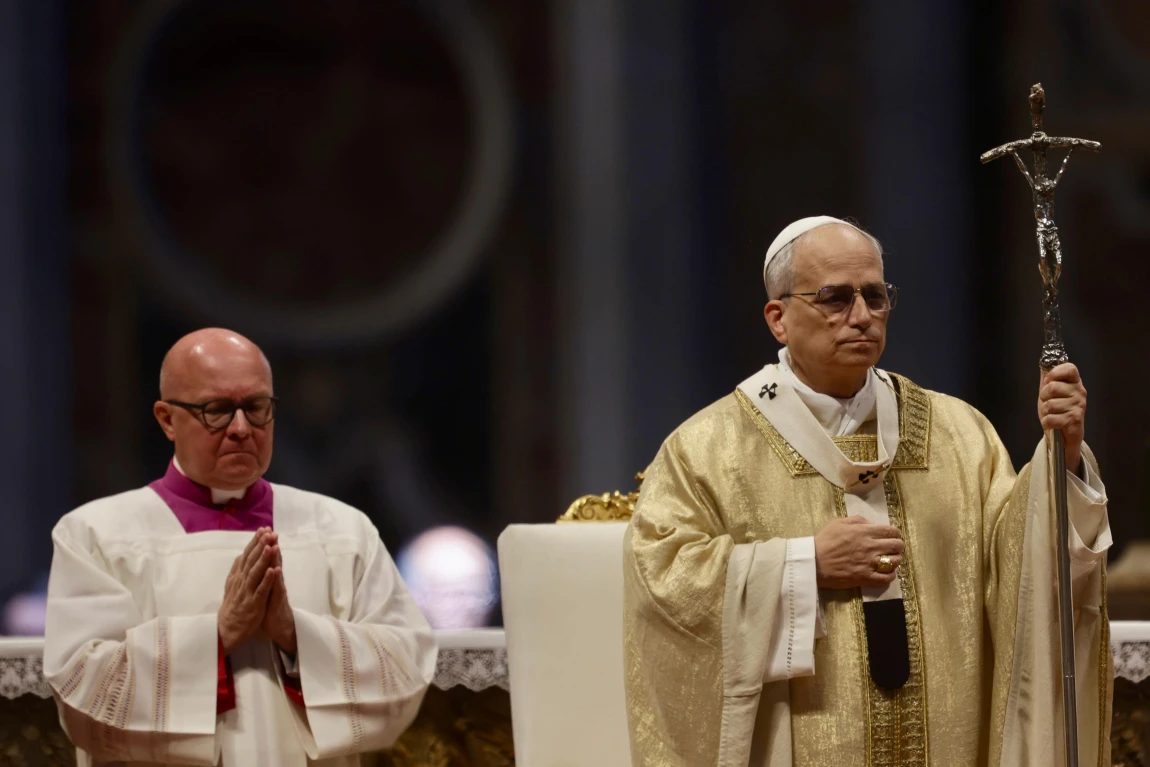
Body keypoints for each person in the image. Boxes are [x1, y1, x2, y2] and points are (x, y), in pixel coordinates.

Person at [623, 217, 1112, 766]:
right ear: (778, 318)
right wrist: (804, 564)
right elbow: (663, 579)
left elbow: (1020, 569)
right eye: (834, 298)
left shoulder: (959, 433)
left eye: (875, 297)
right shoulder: (709, 448)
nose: (861, 317)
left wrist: (1061, 459)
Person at [43, 328, 437, 766]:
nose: (240, 429)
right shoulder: (95, 535)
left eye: (255, 407)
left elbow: (404, 672)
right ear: (166, 419)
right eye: (216, 410)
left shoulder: (342, 530)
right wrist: (216, 635)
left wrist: (293, 634)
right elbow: (83, 696)